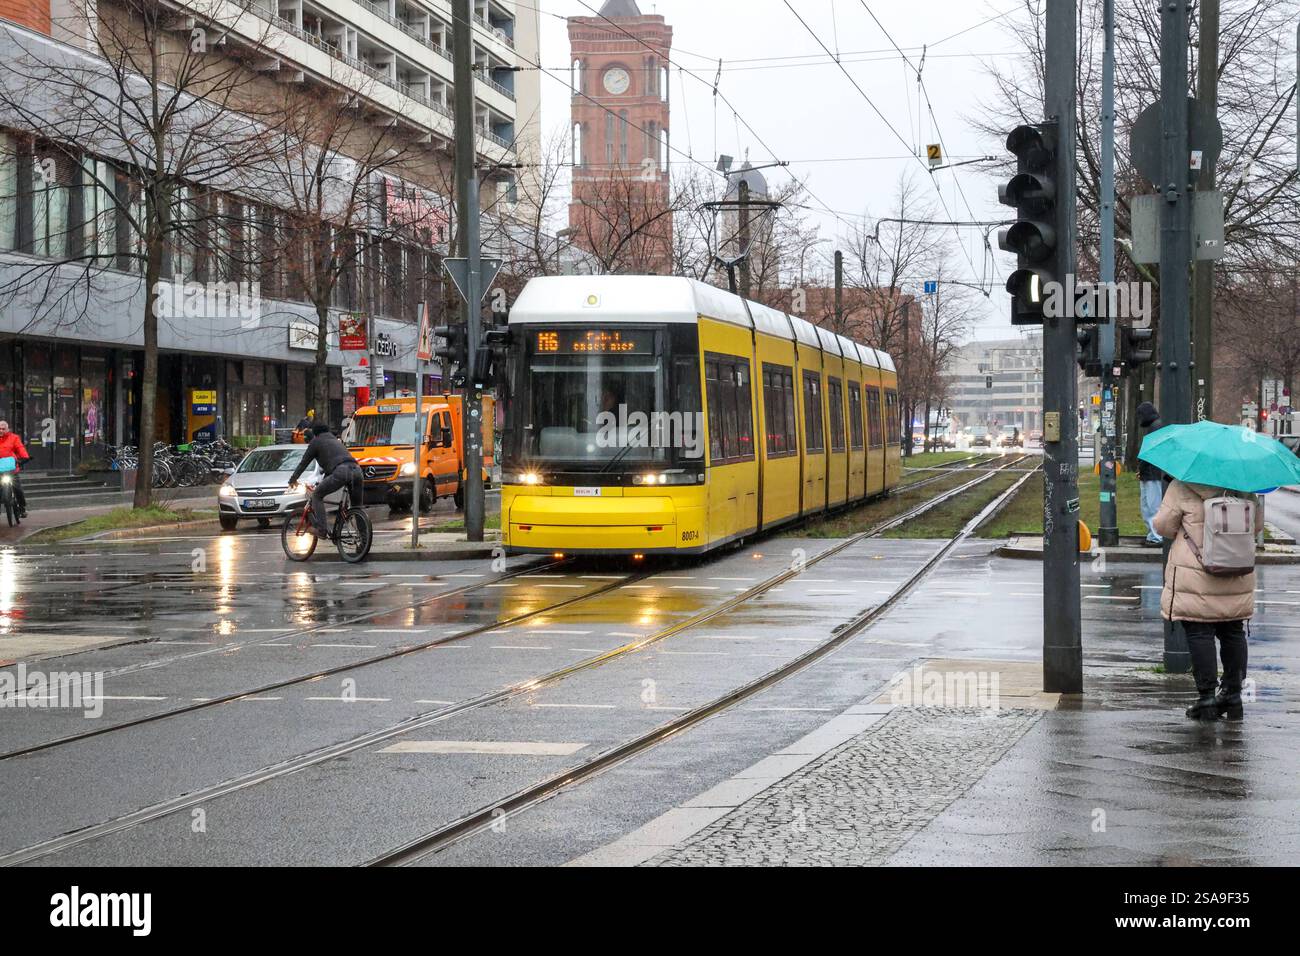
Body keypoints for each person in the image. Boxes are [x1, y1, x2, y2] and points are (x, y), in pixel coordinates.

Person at [1153, 481, 1263, 721]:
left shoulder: (1182, 486)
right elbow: (1256, 526)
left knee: (1199, 632)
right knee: (1233, 632)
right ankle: (1233, 695)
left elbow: (1162, 526)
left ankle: (1207, 698)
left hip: (1196, 572)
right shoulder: (1243, 487)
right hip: (1235, 569)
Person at [288, 423, 364, 539]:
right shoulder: (335, 441)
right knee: (357, 508)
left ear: (315, 433)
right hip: (357, 471)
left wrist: (293, 479)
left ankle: (322, 530)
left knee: (317, 495)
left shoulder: (316, 442)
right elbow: (333, 463)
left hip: (341, 472)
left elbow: (303, 463)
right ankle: (364, 541)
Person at [1136, 401, 1165, 546]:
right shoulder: (1156, 426)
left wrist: (1141, 468)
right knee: (1149, 505)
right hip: (1151, 473)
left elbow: (1149, 452)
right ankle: (1153, 535)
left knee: (1151, 506)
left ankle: (1156, 536)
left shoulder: (1154, 428)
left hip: (1152, 473)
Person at [0, 421, 30, 518]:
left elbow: (20, 448)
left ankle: (22, 508)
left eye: (3, 429)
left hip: (11, 469)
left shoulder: (14, 438)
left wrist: (25, 457)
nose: (1, 431)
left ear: (7, 429)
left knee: (18, 489)